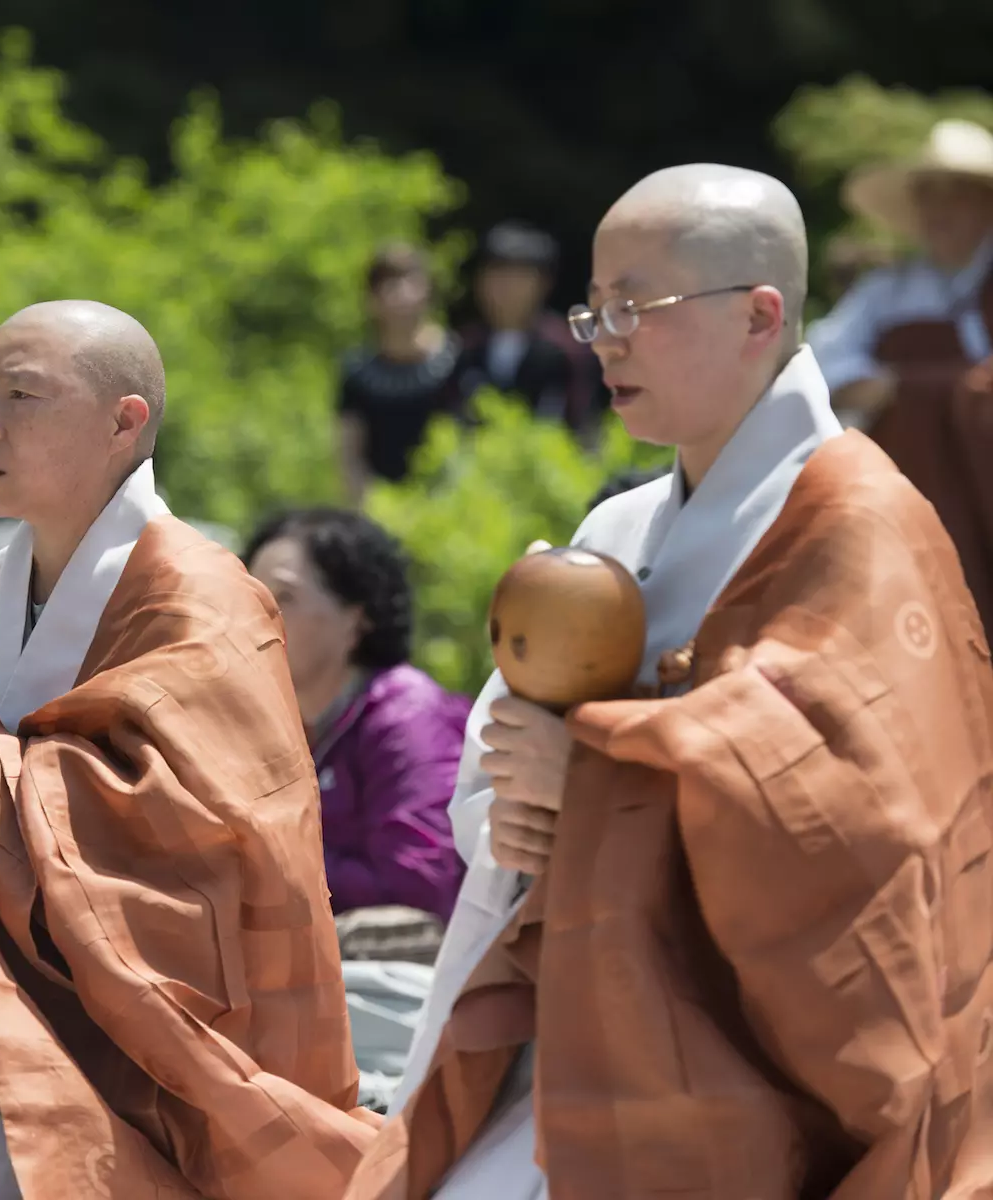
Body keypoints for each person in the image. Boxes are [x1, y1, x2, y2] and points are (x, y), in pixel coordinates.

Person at [346, 165, 993, 1197]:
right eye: (593, 308)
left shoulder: (863, 524)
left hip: (752, 1055)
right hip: (575, 1012)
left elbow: (871, 823)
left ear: (759, 313)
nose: (602, 338)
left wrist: (595, 783)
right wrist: (510, 807)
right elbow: (509, 770)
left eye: (633, 308)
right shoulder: (615, 529)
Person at [0, 300, 376, 1199]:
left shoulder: (204, 601)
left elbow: (210, 838)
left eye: (21, 396)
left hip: (133, 1032)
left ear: (124, 422)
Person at [807, 117, 993, 632]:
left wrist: (910, 387)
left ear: (985, 201)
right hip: (910, 476)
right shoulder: (887, 290)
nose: (937, 210)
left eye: (953, 194)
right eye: (927, 195)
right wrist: (888, 388)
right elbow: (822, 361)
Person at [243, 508, 468, 921]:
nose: (255, 616)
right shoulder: (266, 720)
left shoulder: (407, 716)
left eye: (284, 597)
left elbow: (418, 884)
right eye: (250, 595)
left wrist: (259, 852)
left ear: (357, 617)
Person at [338, 245, 469, 505]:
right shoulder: (358, 370)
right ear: (371, 299)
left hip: (450, 505)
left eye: (409, 282)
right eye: (388, 285)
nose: (400, 296)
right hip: (380, 509)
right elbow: (350, 455)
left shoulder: (459, 359)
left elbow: (470, 440)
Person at [455, 222, 604, 438]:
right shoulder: (463, 347)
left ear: (544, 284)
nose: (507, 289)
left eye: (519, 278)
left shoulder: (568, 349)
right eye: (497, 276)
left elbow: (583, 424)